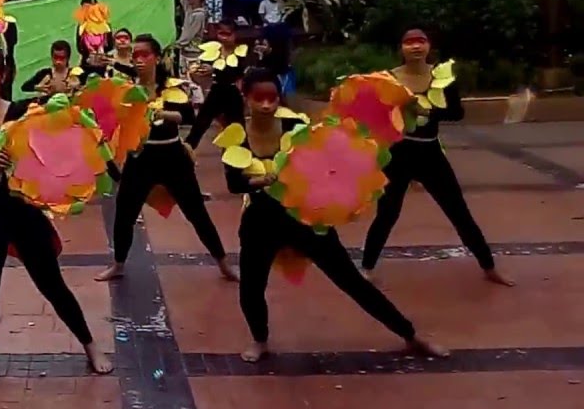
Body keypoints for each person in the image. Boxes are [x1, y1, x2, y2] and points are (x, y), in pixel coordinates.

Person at [224, 69, 448, 363]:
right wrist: (262, 181)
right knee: (252, 287)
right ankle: (260, 339)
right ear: (246, 98)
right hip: (260, 222)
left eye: (272, 98)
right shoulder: (236, 134)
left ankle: (410, 335)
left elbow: (330, 153)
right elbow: (234, 182)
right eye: (259, 99)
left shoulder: (295, 124)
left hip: (305, 217)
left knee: (351, 281)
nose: (266, 105)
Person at [0, 46, 112, 375]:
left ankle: (90, 346)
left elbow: (51, 148)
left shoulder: (23, 112)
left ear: (3, 75)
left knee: (51, 283)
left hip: (23, 211)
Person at [360, 28, 514, 287]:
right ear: (401, 48)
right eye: (409, 42)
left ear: (429, 47)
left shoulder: (442, 77)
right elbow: (374, 114)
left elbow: (457, 113)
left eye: (421, 41)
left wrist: (431, 112)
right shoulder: (389, 79)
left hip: (430, 153)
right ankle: (366, 267)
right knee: (387, 213)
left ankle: (488, 266)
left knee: (458, 211)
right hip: (399, 153)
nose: (415, 47)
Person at [96, 34, 236, 282]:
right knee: (124, 212)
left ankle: (223, 262)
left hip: (172, 155)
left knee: (196, 211)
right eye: (135, 55)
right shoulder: (128, 88)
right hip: (140, 156)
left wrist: (162, 113)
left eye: (145, 55)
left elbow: (188, 118)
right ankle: (118, 264)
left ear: (156, 58)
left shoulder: (172, 86)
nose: (139, 60)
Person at [186, 22, 249, 150]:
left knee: (237, 126)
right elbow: (204, 66)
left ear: (235, 35)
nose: (224, 37)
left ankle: (243, 157)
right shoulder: (213, 49)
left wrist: (214, 70)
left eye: (228, 34)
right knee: (200, 123)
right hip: (216, 90)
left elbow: (237, 72)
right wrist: (199, 70)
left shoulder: (242, 51)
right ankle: (186, 151)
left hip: (232, 93)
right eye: (221, 33)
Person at [174, 0, 207, 77]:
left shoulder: (199, 15)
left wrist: (177, 44)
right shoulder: (189, 11)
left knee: (193, 81)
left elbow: (189, 34)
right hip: (184, 52)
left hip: (193, 53)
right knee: (184, 79)